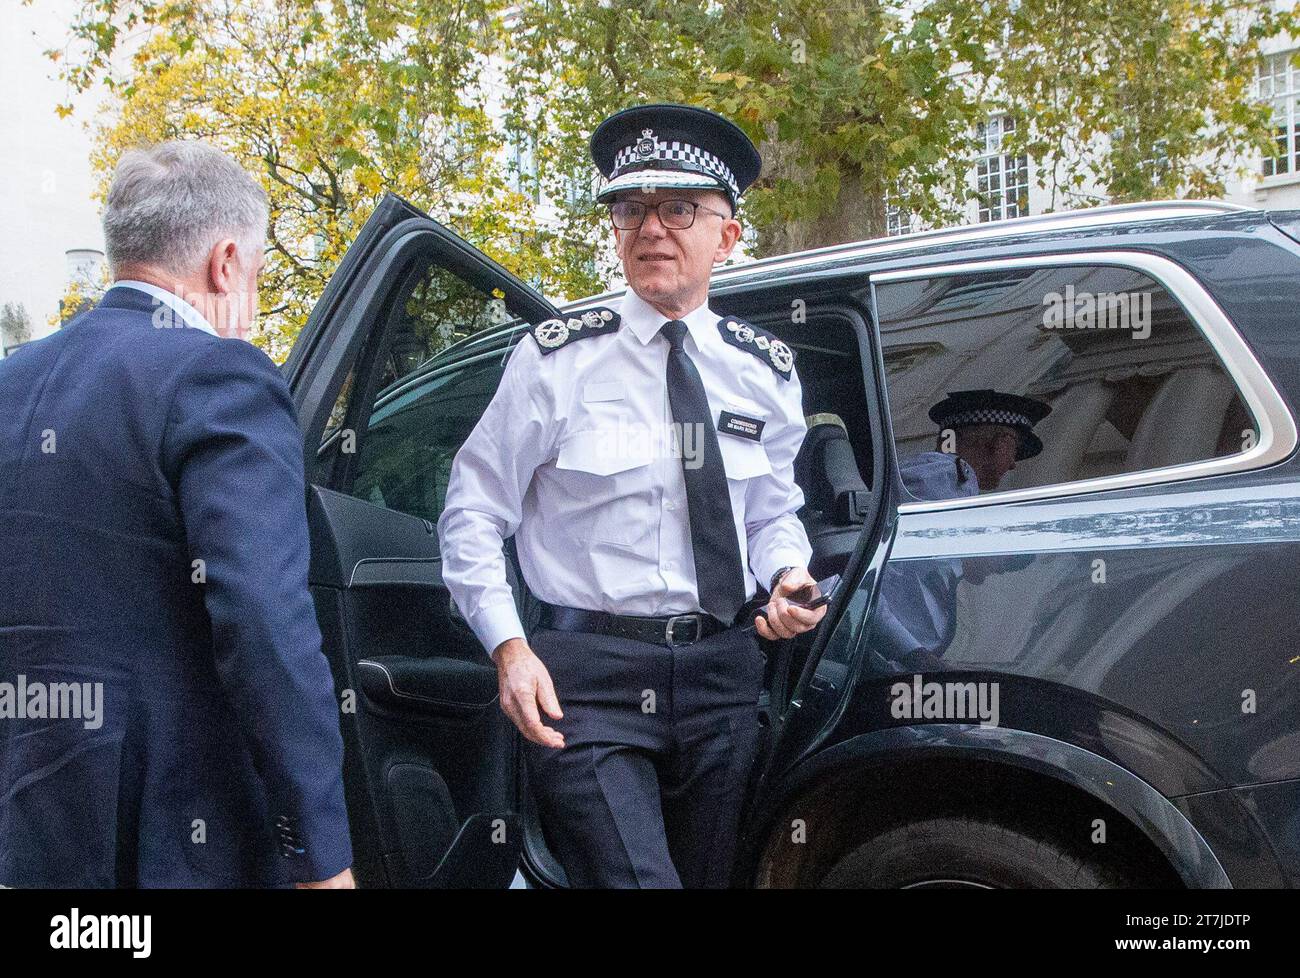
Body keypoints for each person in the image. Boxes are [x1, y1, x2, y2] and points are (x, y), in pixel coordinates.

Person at [438, 103, 826, 887]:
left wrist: (787, 575)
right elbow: (473, 514)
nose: (651, 228)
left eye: (679, 208)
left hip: (723, 668)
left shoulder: (766, 372)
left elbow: (772, 512)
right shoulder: (555, 361)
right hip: (588, 677)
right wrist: (510, 650)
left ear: (728, 234)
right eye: (629, 209)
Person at [0, 141, 354, 888]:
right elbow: (264, 621)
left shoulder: (12, 379)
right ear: (227, 262)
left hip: (29, 825)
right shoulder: (219, 374)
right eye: (256, 277)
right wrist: (322, 855)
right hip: (174, 837)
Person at [872, 389, 1051, 667]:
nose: (1013, 464)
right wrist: (917, 657)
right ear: (1003, 443)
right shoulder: (952, 478)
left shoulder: (940, 479)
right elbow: (872, 587)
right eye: (1014, 451)